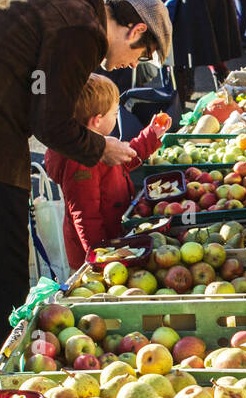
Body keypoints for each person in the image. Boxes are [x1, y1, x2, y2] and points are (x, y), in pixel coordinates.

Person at [0, 0, 171, 390]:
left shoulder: (53, 0)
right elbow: (52, 121)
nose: (129, 65)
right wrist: (102, 147)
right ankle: (8, 387)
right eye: (141, 54)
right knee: (1, 273)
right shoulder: (81, 29)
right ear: (135, 30)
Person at [44, 73, 165, 270]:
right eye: (115, 113)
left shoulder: (103, 147)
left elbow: (125, 159)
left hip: (115, 238)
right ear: (97, 121)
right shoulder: (81, 162)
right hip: (97, 254)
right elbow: (85, 214)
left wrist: (151, 136)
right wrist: (101, 255)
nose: (117, 117)